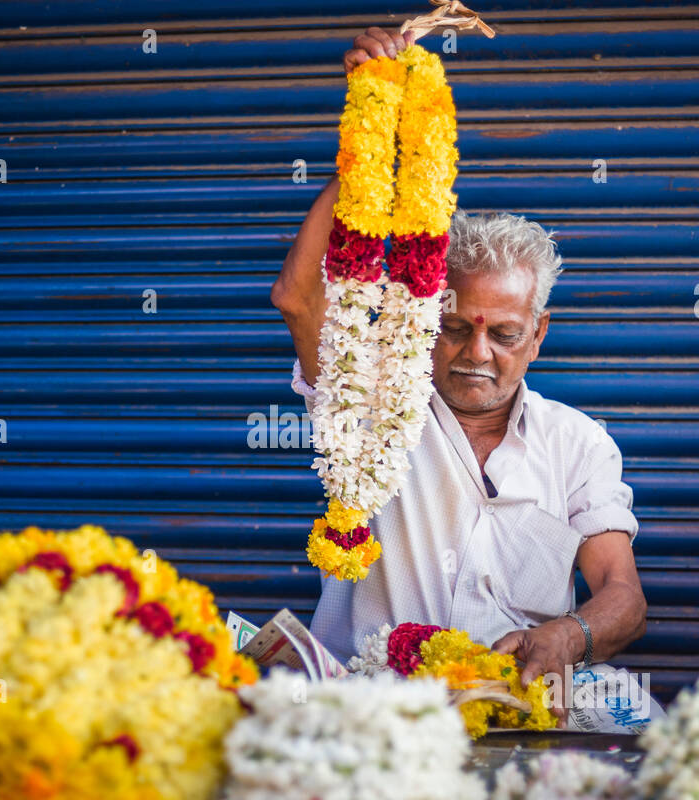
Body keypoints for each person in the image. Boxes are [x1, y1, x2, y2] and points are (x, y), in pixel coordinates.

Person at [270, 26, 647, 724]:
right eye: (454, 326)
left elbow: (622, 594)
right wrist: (369, 145)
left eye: (503, 333)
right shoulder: (373, 399)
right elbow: (298, 296)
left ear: (538, 335)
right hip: (372, 720)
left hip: (515, 715)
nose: (477, 351)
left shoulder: (578, 443)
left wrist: (568, 634)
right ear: (425, 317)